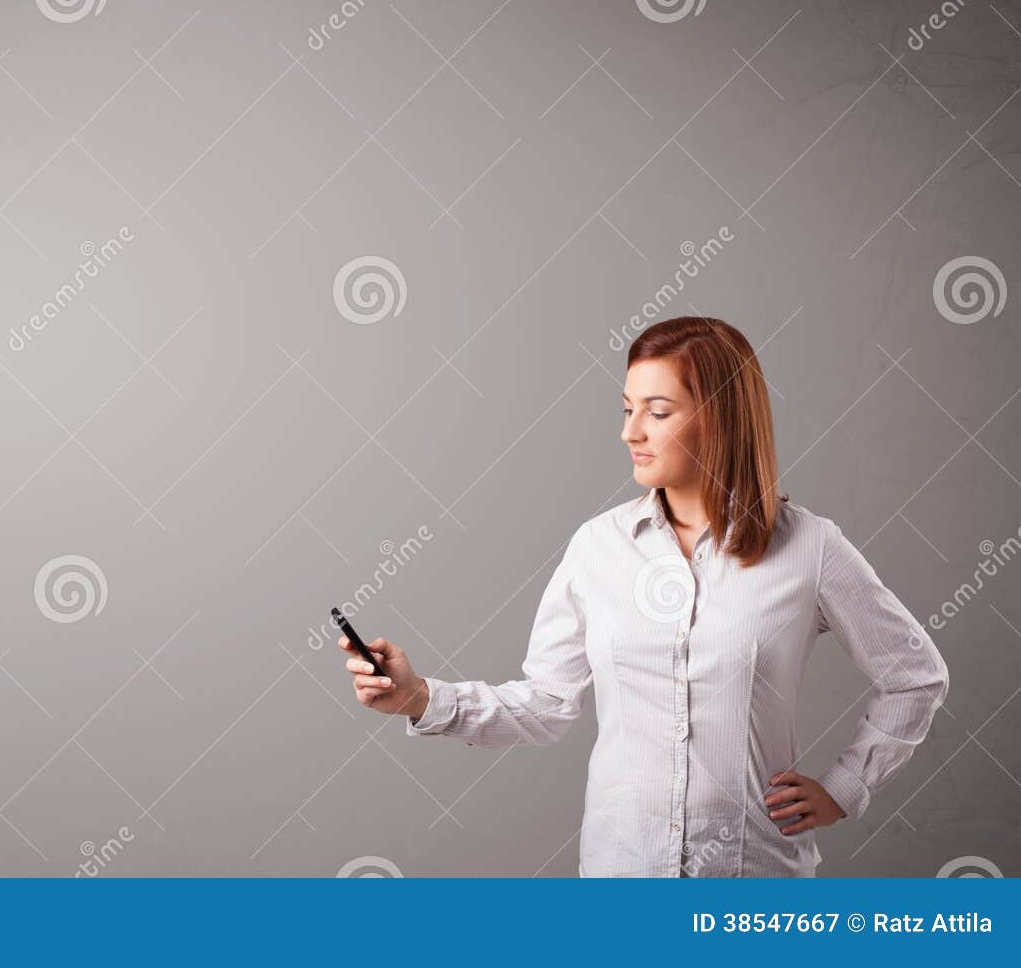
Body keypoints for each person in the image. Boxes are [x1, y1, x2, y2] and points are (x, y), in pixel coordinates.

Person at [341, 316, 950, 877]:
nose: (629, 431)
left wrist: (846, 788)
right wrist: (420, 698)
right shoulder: (597, 547)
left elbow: (914, 676)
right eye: (629, 408)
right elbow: (547, 703)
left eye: (657, 411)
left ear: (720, 416)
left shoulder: (810, 547)